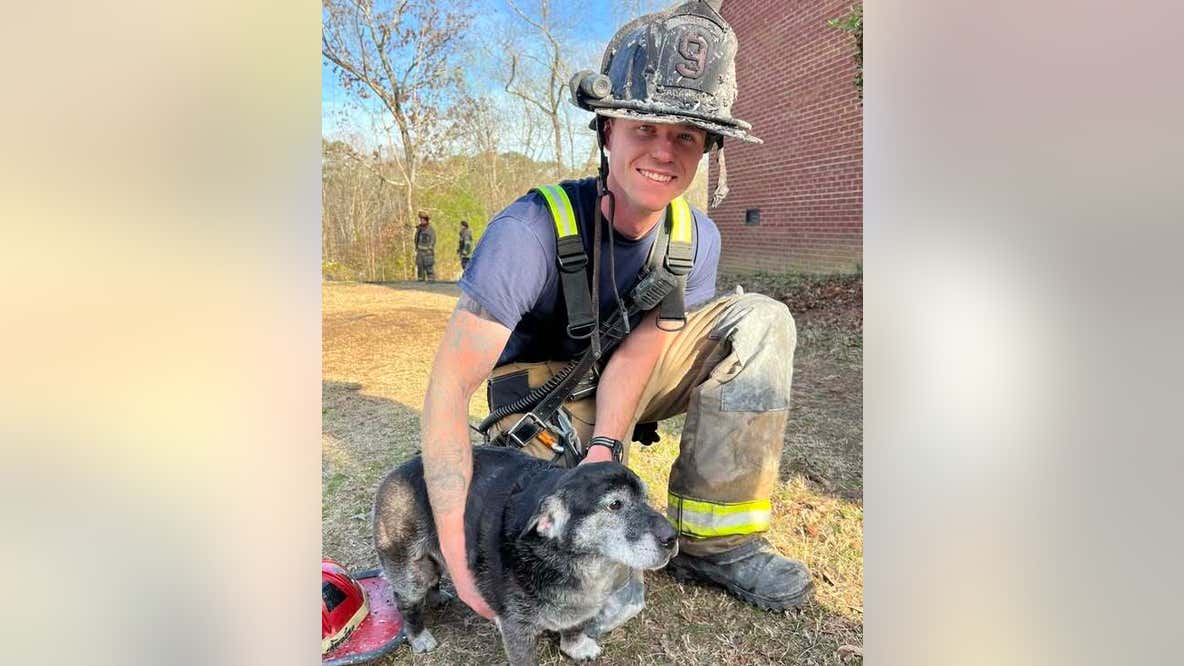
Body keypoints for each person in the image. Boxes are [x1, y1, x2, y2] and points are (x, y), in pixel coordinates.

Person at [419, 0, 813, 629]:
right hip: (546, 391)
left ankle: (716, 548)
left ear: (708, 145)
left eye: (685, 134)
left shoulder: (695, 236)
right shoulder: (528, 231)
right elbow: (447, 391)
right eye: (644, 128)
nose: (665, 151)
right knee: (547, 539)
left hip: (630, 371)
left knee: (761, 321)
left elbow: (642, 350)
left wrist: (609, 443)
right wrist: (455, 557)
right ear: (606, 129)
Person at [414, 211, 436, 282]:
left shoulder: (430, 230)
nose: (421, 221)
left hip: (427, 252)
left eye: (423, 220)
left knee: (428, 266)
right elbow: (416, 239)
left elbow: (433, 240)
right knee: (419, 266)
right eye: (421, 220)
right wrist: (416, 248)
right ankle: (420, 279)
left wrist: (430, 249)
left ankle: (431, 280)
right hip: (420, 252)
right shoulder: (419, 229)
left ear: (426, 220)